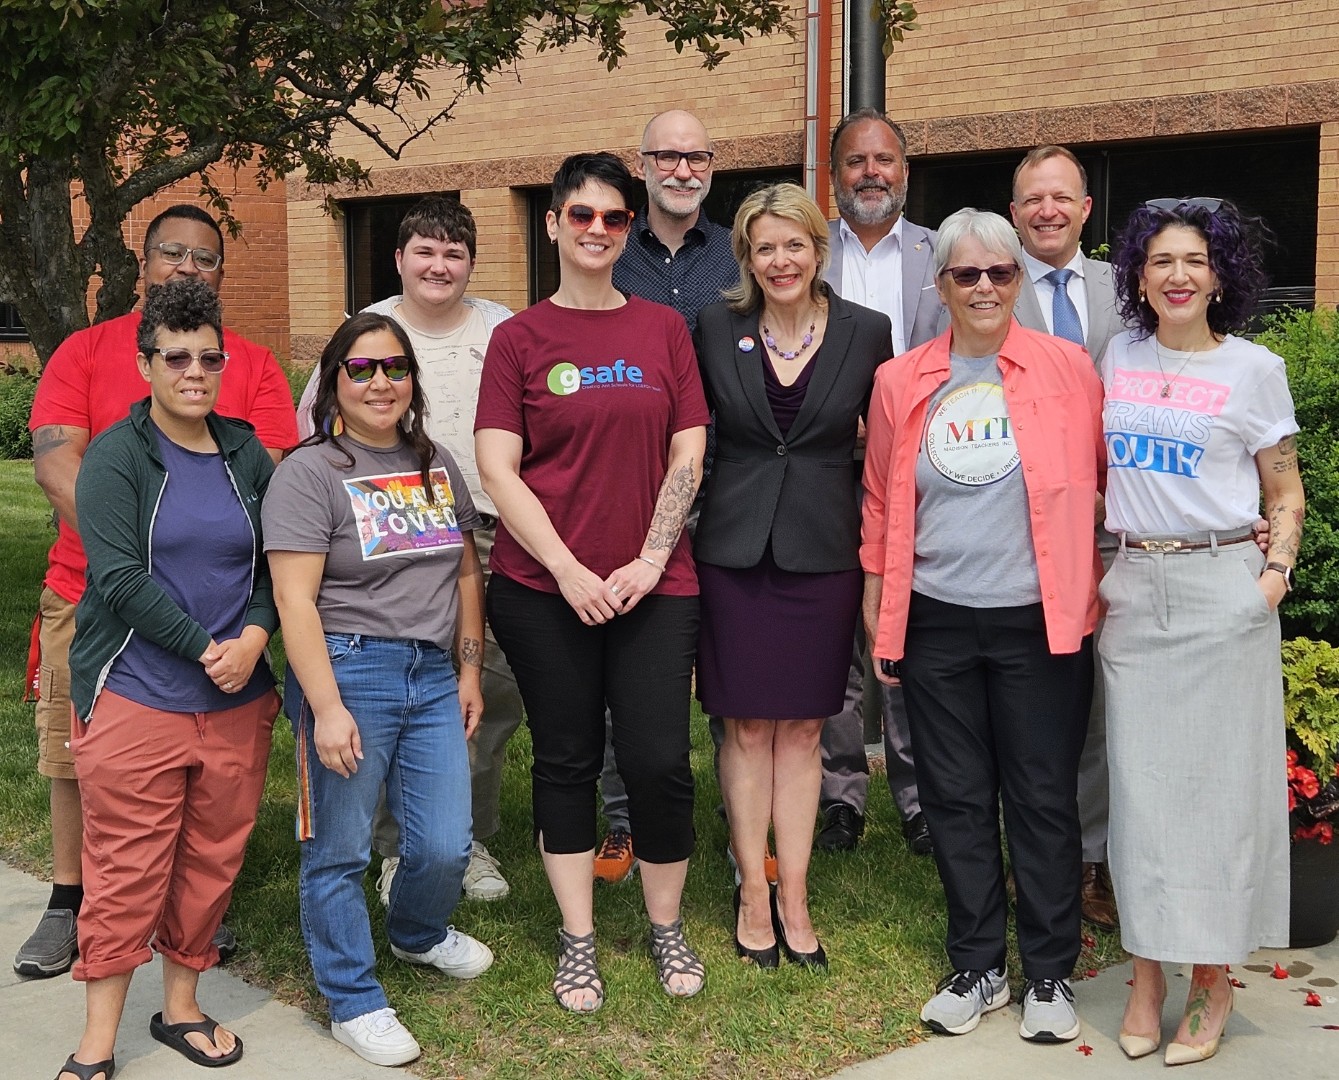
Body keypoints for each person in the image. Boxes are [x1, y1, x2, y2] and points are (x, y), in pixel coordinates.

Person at [22, 204, 297, 980]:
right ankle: (69, 901)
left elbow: (269, 479)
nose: (185, 267)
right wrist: (131, 555)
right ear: (141, 267)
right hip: (92, 589)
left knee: (208, 770)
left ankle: (191, 913)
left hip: (221, 605)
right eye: (170, 253)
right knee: (79, 757)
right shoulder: (85, 351)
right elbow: (54, 461)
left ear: (220, 275)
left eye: (203, 258)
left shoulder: (252, 363)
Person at [862, 208, 1104, 1042]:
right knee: (957, 797)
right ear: (941, 288)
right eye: (966, 275)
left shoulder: (1068, 368)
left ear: (1016, 280)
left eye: (998, 273)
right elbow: (879, 501)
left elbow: (1111, 480)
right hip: (935, 620)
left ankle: (1047, 972)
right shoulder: (902, 380)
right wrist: (879, 607)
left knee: (1040, 796)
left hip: (1038, 620)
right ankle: (978, 964)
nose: (984, 288)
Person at [476, 152, 709, 1012]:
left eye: (614, 218)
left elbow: (688, 447)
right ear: (553, 224)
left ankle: (664, 924)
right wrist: (569, 570)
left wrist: (649, 558)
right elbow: (498, 468)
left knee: (656, 761)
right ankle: (577, 941)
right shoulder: (519, 339)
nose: (599, 232)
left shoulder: (661, 331)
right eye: (582, 216)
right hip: (543, 592)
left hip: (657, 581)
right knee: (566, 759)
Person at [54, 279, 281, 1080]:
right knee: (125, 867)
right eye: (176, 356)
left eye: (208, 357)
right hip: (137, 692)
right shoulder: (118, 456)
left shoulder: (246, 450)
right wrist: (204, 646)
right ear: (145, 363)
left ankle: (180, 1005)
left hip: (236, 698)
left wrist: (254, 636)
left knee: (212, 858)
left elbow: (273, 562)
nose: (195, 371)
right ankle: (96, 1042)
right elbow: (115, 578)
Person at [1102, 198, 1303, 1065]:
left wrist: (1266, 582)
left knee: (1218, 803)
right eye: (1159, 262)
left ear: (1220, 274)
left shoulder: (1255, 369)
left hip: (1222, 591)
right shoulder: (1116, 356)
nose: (1176, 275)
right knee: (1142, 801)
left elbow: (1284, 494)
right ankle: (1146, 975)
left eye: (1193, 260)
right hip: (1133, 595)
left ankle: (1211, 979)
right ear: (1137, 279)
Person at [266, 313, 494, 1067]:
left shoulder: (435, 465)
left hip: (431, 674)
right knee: (339, 847)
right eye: (360, 370)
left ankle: (417, 934)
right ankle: (353, 999)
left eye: (393, 368)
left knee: (441, 844)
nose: (380, 383)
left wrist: (466, 668)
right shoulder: (309, 472)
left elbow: (464, 570)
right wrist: (324, 708)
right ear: (333, 381)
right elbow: (294, 600)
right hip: (348, 668)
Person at [296, 196, 518, 904]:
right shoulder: (369, 334)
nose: (439, 265)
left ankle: (465, 839)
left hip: (488, 530)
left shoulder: (501, 330)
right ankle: (393, 849)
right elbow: (313, 432)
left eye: (454, 254)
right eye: (424, 251)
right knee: (389, 695)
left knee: (481, 698)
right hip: (386, 534)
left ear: (471, 264)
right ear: (398, 259)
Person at [694, 182, 891, 970]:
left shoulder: (867, 332)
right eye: (763, 247)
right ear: (746, 256)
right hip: (734, 552)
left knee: (806, 728)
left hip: (823, 553)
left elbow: (881, 457)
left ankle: (795, 895)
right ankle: (751, 890)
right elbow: (686, 440)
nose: (780, 260)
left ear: (818, 248)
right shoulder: (714, 327)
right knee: (744, 727)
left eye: (793, 244)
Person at [594, 108, 739, 884]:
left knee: (728, 660)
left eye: (697, 155)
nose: (683, 170)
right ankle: (623, 820)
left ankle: (736, 818)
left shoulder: (736, 257)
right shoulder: (611, 252)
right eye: (668, 157)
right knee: (631, 666)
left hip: (730, 492)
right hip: (633, 495)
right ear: (642, 164)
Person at [818, 107, 944, 857]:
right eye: (855, 162)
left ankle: (920, 796)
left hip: (923, 471)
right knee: (838, 632)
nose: (870, 173)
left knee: (909, 633)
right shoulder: (805, 252)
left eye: (884, 160)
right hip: (830, 470)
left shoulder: (942, 252)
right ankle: (840, 797)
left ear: (904, 171)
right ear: (832, 177)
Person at [1010, 145, 1124, 929]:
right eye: (1030, 200)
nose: (1046, 210)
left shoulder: (1131, 288)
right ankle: (1046, 855)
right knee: (1039, 704)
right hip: (1018, 539)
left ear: (1085, 208)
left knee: (1109, 703)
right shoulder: (985, 286)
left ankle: (1098, 857)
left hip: (1120, 529)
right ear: (1014, 213)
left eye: (1060, 197)